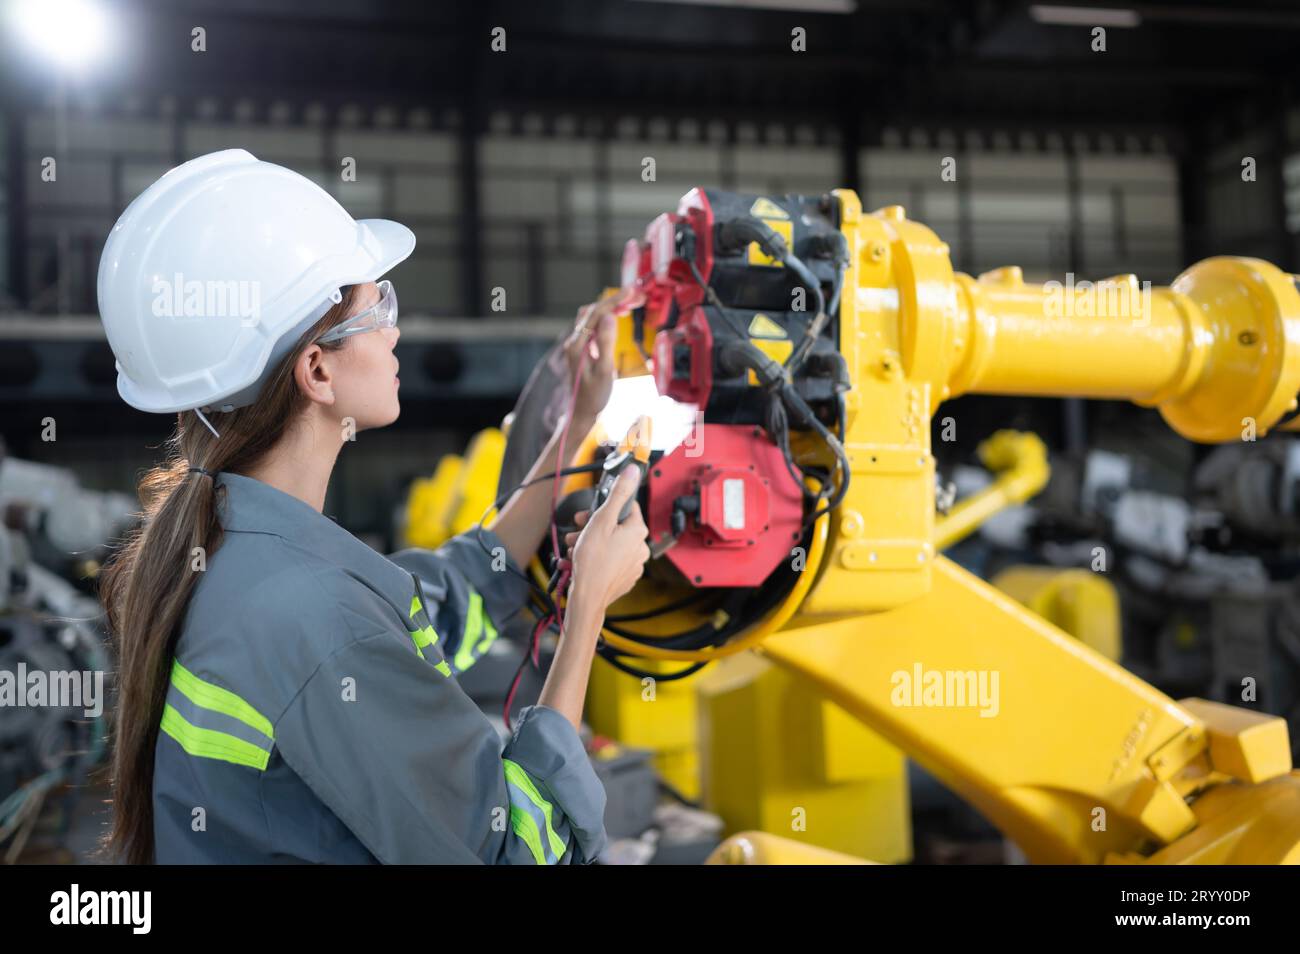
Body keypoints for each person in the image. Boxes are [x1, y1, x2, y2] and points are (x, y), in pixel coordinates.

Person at [95, 149, 650, 864]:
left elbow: (438, 608)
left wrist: (574, 424)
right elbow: (519, 849)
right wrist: (588, 613)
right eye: (377, 303)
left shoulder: (233, 545)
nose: (394, 329)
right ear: (316, 370)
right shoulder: (311, 612)